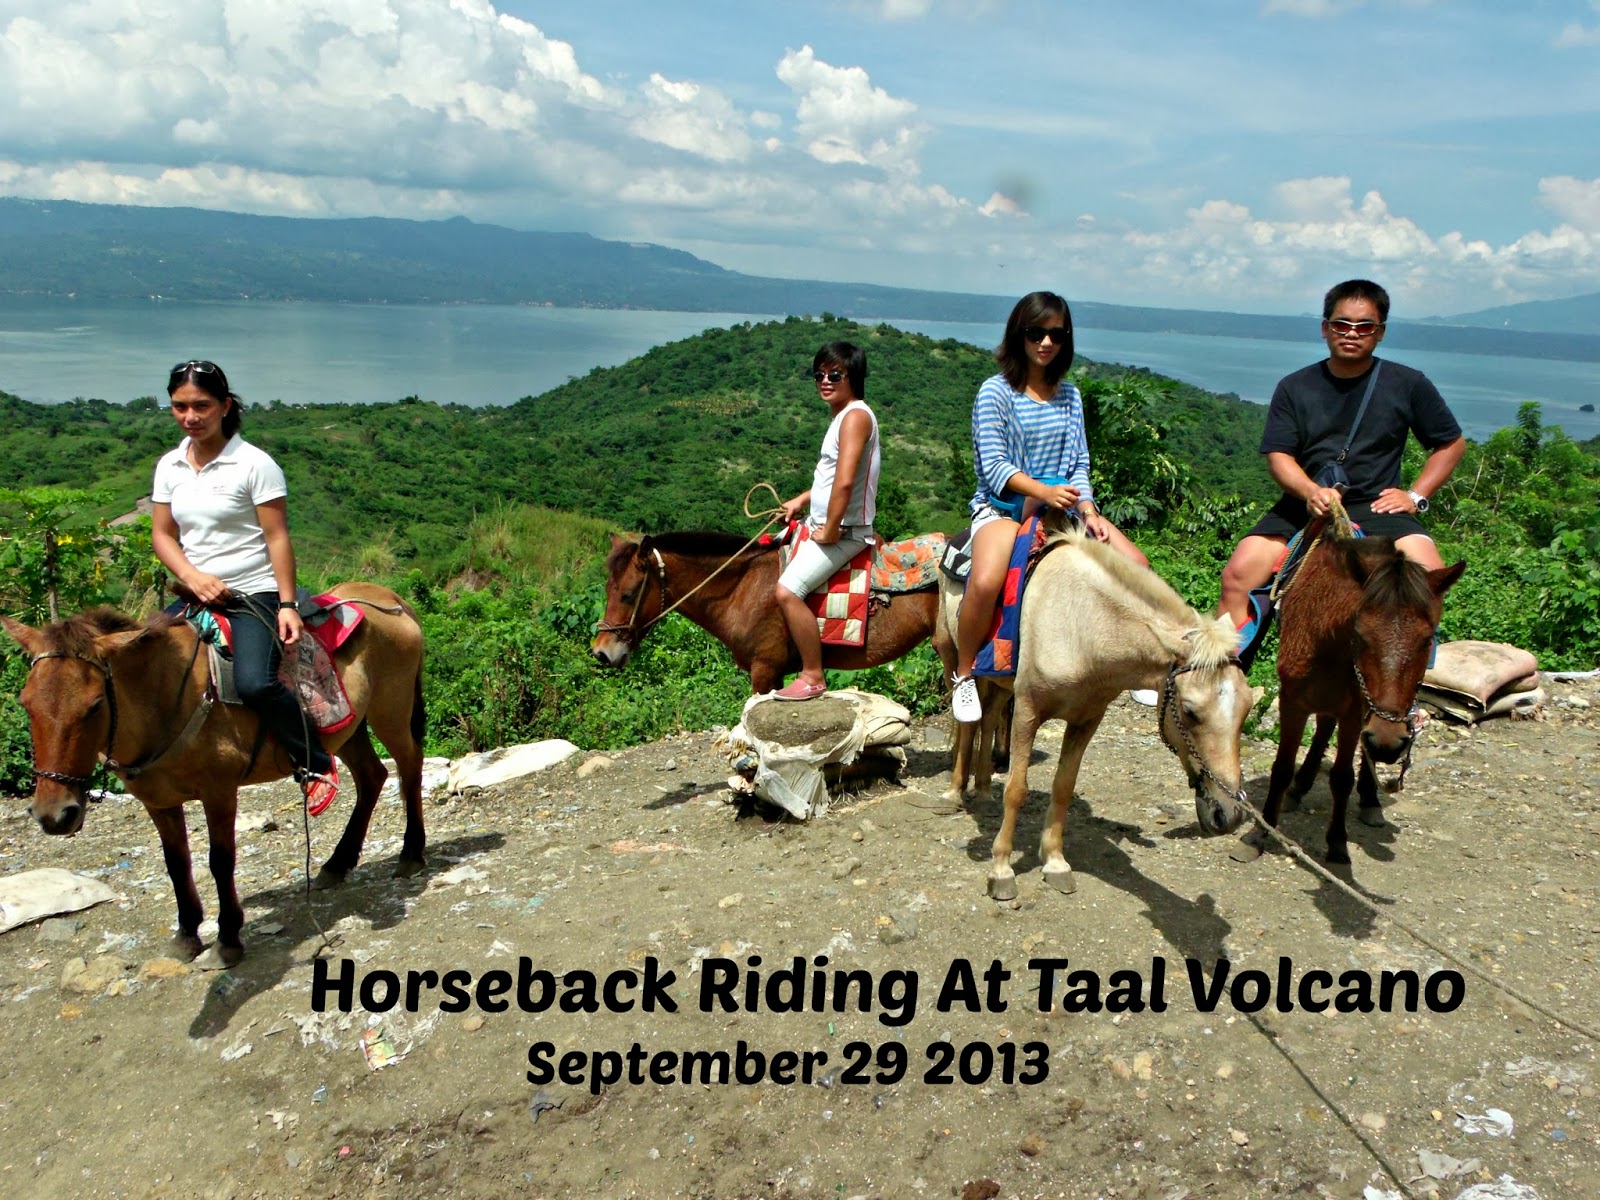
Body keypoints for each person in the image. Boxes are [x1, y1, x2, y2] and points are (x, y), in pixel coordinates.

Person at [1218, 279, 1466, 630]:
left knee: (1427, 579)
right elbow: (1279, 456)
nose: (1352, 333)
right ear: (1325, 328)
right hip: (1303, 506)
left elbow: (1451, 444)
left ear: (1380, 332)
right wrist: (1310, 492)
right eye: (1341, 325)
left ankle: (1409, 677)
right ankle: (1222, 676)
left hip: (1376, 506)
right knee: (1238, 575)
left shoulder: (1407, 383)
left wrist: (1415, 496)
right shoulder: (1295, 386)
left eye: (1365, 326)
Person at [950, 291, 1149, 724]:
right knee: (985, 581)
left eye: (1056, 335)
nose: (1046, 342)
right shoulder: (995, 392)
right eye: (1036, 332)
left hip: (1066, 506)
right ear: (1018, 334)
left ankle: (1131, 666)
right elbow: (994, 463)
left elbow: (1079, 462)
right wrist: (1041, 490)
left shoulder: (1070, 396)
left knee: (1138, 565)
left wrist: (1091, 510)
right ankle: (964, 673)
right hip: (1003, 507)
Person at [150, 360, 339, 814]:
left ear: (225, 406)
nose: (190, 417)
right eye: (180, 407)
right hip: (195, 591)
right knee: (141, 665)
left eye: (201, 406)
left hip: (253, 592)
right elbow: (162, 533)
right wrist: (193, 578)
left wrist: (288, 604)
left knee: (255, 683)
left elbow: (277, 536)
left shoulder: (254, 464)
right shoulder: (170, 464)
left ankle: (314, 762)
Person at [770, 341, 881, 701]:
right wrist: (802, 500)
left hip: (846, 534)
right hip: (829, 523)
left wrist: (831, 529)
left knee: (786, 592)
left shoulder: (855, 417)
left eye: (835, 374)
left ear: (854, 378)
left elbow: (846, 480)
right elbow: (830, 478)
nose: (825, 381)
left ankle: (813, 675)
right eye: (819, 374)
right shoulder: (842, 416)